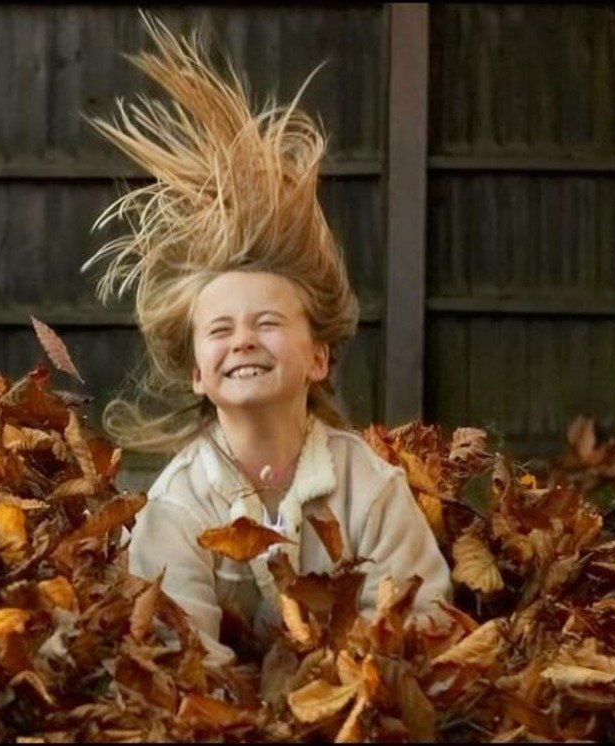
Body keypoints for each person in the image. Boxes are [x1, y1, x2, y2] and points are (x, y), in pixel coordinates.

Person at [81, 13, 452, 667]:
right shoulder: (178, 501)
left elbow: (421, 616)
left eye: (268, 323)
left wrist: (337, 681)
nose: (243, 340)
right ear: (196, 371)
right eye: (219, 330)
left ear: (318, 356)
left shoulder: (371, 489)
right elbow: (173, 644)